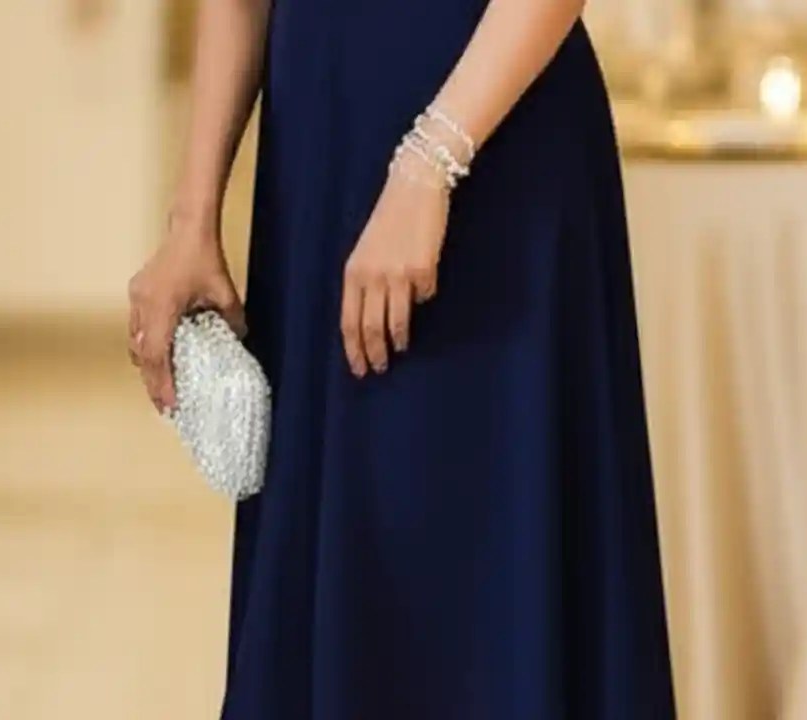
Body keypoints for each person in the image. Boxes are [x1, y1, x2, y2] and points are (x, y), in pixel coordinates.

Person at [128, 0, 675, 717]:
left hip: (491, 152)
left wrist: (431, 162)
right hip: (320, 170)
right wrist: (191, 219)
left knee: (471, 588)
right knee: (341, 571)